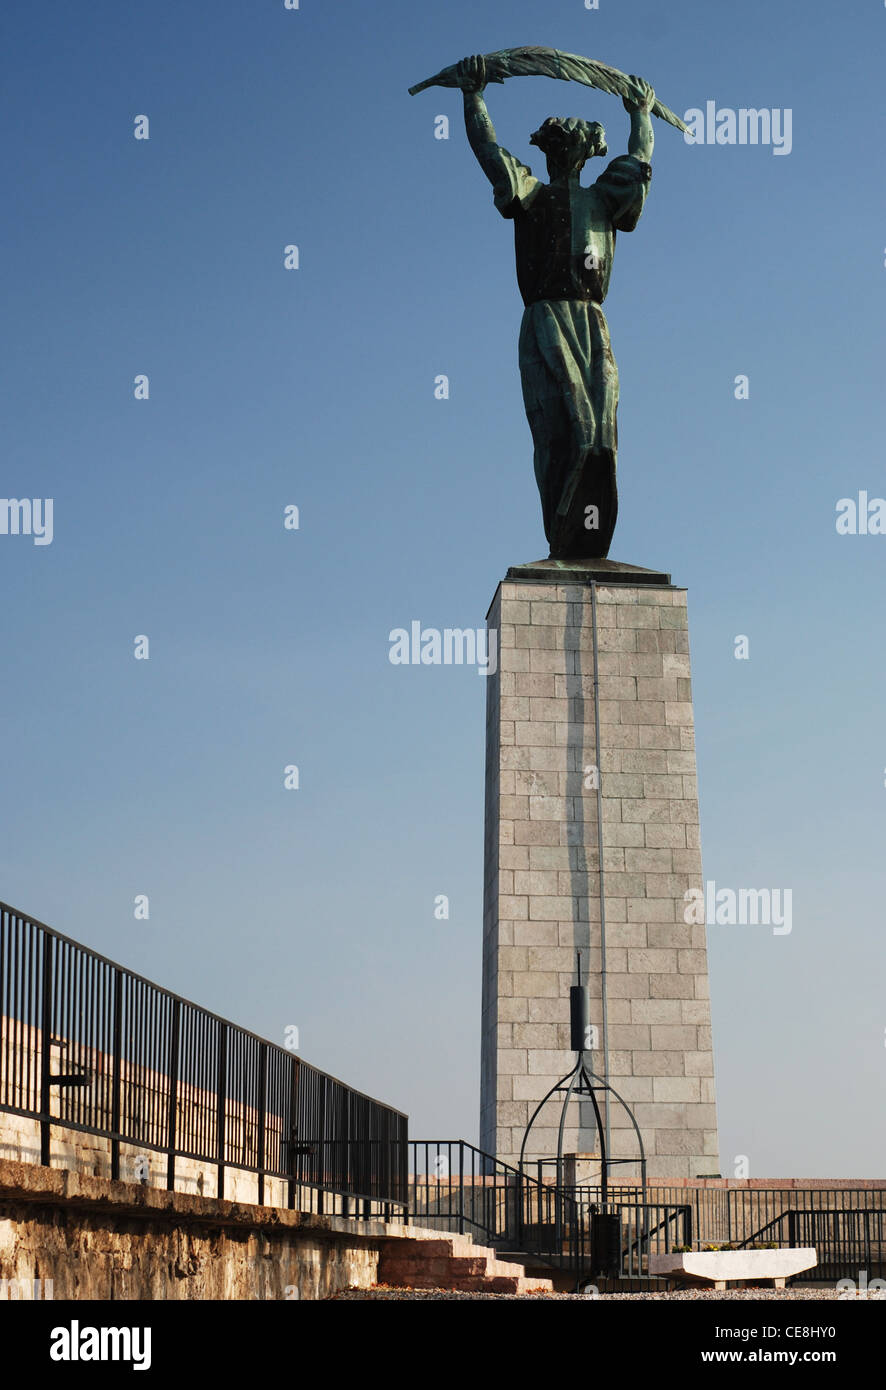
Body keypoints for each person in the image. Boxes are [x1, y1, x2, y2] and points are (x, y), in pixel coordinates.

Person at [457, 54, 655, 558]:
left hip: (591, 321)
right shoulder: (530, 192)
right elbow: (488, 152)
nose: (563, 155)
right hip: (546, 320)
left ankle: (591, 529)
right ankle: (562, 530)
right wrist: (473, 95)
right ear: (550, 154)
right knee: (564, 429)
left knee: (603, 429)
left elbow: (639, 170)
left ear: (582, 155)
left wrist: (641, 116)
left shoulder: (602, 199)